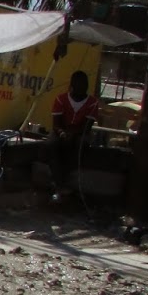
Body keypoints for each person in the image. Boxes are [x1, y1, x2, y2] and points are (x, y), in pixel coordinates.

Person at [47, 69, 100, 202]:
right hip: (62, 130)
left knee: (80, 145)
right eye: (79, 85)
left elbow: (87, 127)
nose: (83, 88)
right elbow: (56, 124)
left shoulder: (93, 103)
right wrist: (63, 133)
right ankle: (58, 182)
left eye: (85, 85)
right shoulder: (61, 99)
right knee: (51, 144)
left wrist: (72, 134)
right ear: (72, 85)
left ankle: (63, 180)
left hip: (80, 133)